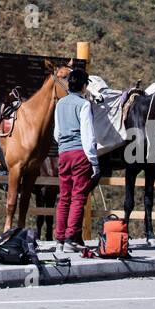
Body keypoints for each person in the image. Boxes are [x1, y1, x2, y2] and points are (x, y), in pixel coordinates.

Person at [53, 66, 99, 253]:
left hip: (63, 154)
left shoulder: (60, 104)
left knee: (64, 197)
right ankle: (72, 238)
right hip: (80, 154)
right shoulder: (84, 104)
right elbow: (88, 136)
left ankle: (60, 238)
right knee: (78, 197)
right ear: (84, 86)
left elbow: (56, 134)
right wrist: (94, 161)